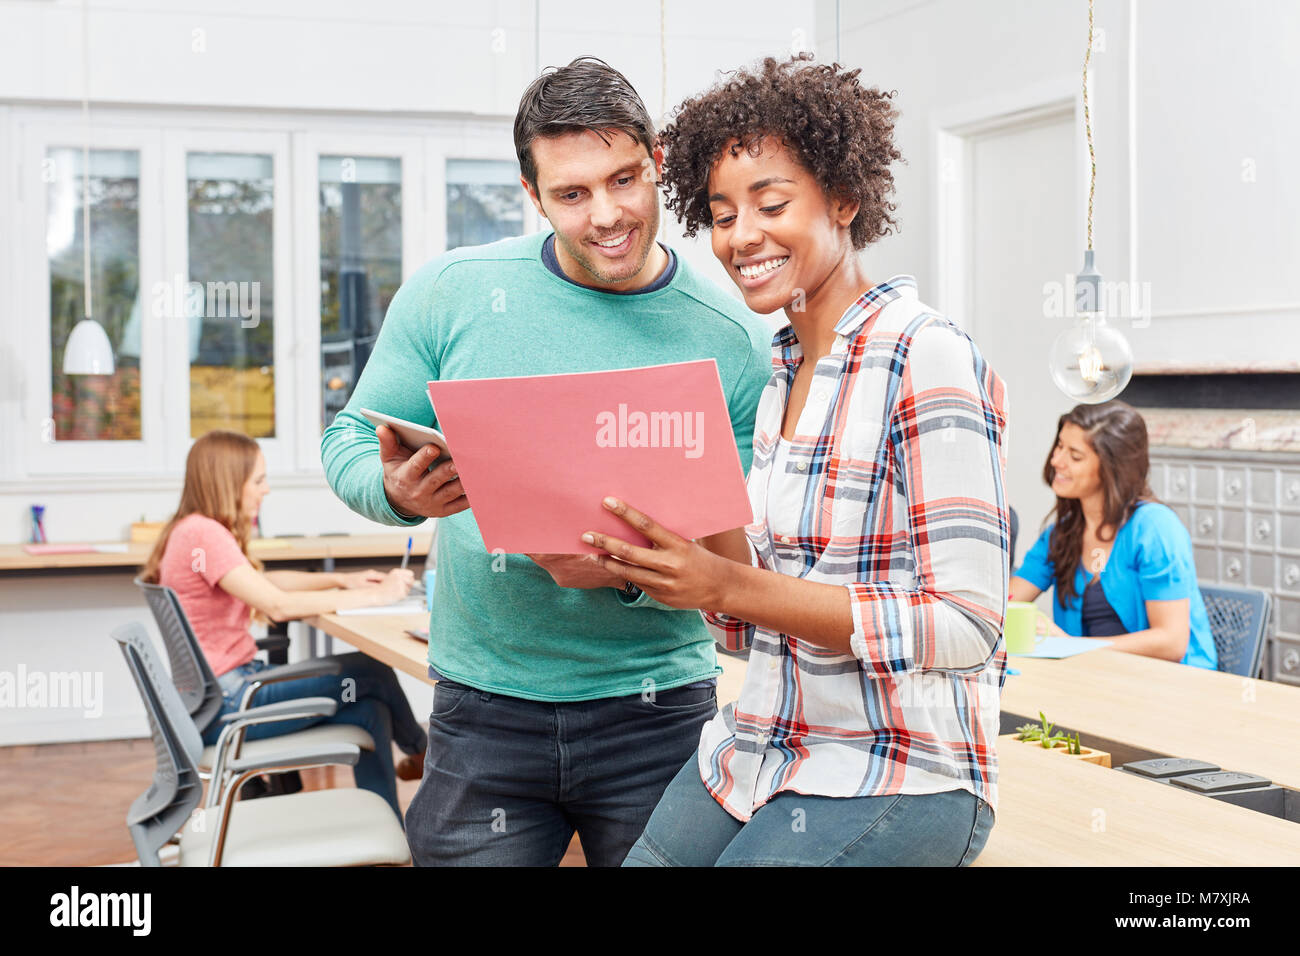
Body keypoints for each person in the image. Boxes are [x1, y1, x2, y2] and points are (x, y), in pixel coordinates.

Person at [320, 57, 772, 866]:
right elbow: (348, 436)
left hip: (657, 709)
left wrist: (628, 573)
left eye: (625, 179)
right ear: (532, 195)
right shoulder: (452, 293)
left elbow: (739, 552)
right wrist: (395, 493)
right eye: (572, 193)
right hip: (483, 709)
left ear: (658, 161)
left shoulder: (726, 340)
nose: (608, 214)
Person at [582, 54, 1008, 867]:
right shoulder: (781, 372)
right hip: (761, 749)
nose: (742, 236)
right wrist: (660, 552)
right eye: (721, 214)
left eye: (770, 204)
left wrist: (730, 584)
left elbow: (968, 623)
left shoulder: (927, 355)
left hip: (898, 769)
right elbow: (754, 618)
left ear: (843, 199)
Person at [140, 429, 429, 821]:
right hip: (228, 705)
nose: (266, 490)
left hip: (215, 700)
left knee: (370, 709)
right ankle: (422, 752)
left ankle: (389, 829)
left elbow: (265, 582)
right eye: (258, 480)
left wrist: (342, 579)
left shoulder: (194, 530)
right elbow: (276, 604)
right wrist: (377, 597)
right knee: (372, 671)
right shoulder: (203, 534)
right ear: (228, 483)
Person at [1008, 402, 1217, 668]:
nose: (1056, 461)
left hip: (1173, 686)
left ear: (1111, 468)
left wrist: (1071, 647)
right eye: (1060, 446)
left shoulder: (1156, 529)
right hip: (1099, 678)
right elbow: (1010, 601)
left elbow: (1171, 642)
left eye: (1075, 456)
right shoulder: (1062, 533)